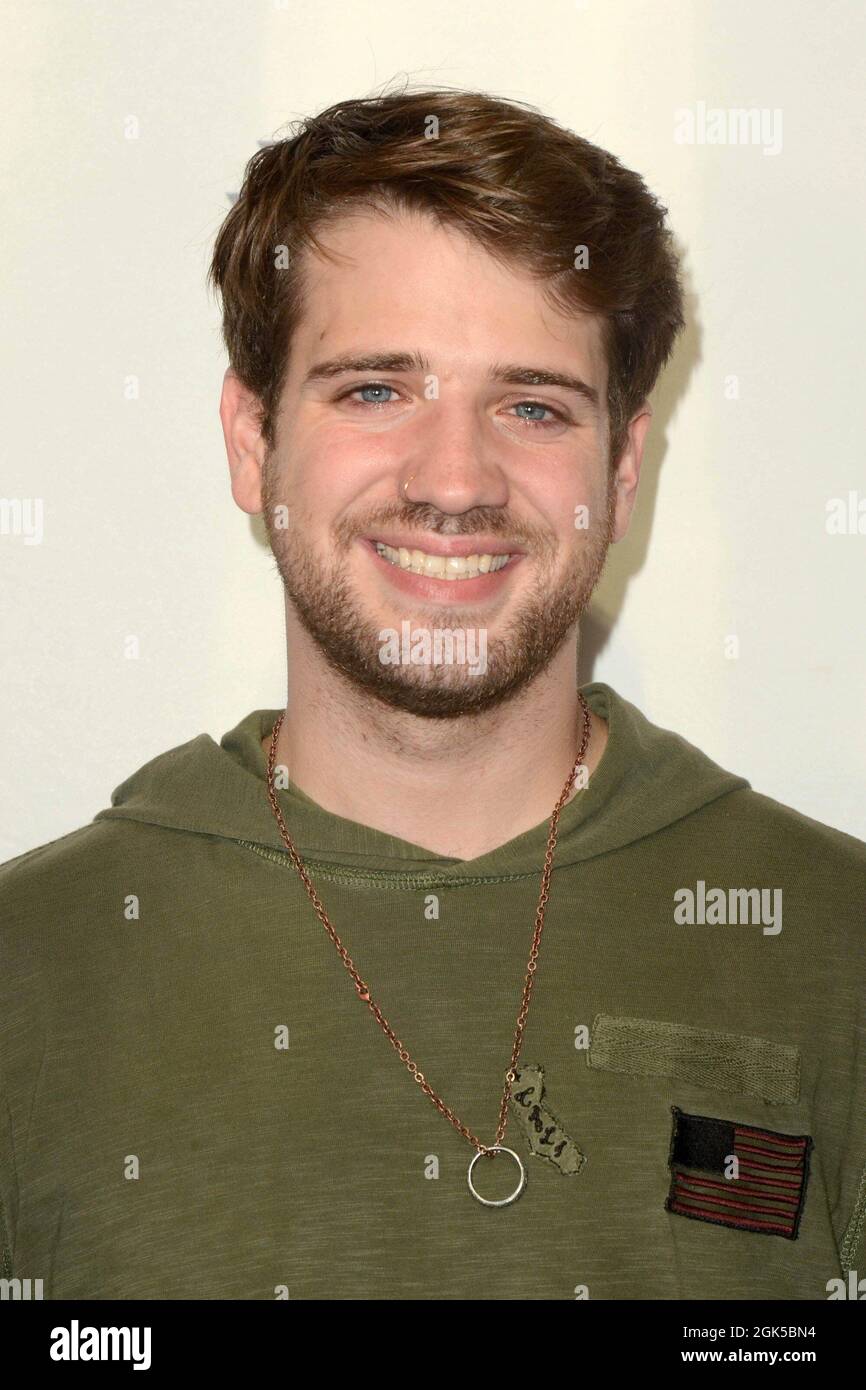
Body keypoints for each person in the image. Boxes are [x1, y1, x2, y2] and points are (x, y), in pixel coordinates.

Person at [1, 88, 863, 1302]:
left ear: (619, 471)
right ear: (252, 445)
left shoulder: (836, 943)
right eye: (372, 390)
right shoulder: (28, 968)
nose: (453, 481)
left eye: (529, 406)